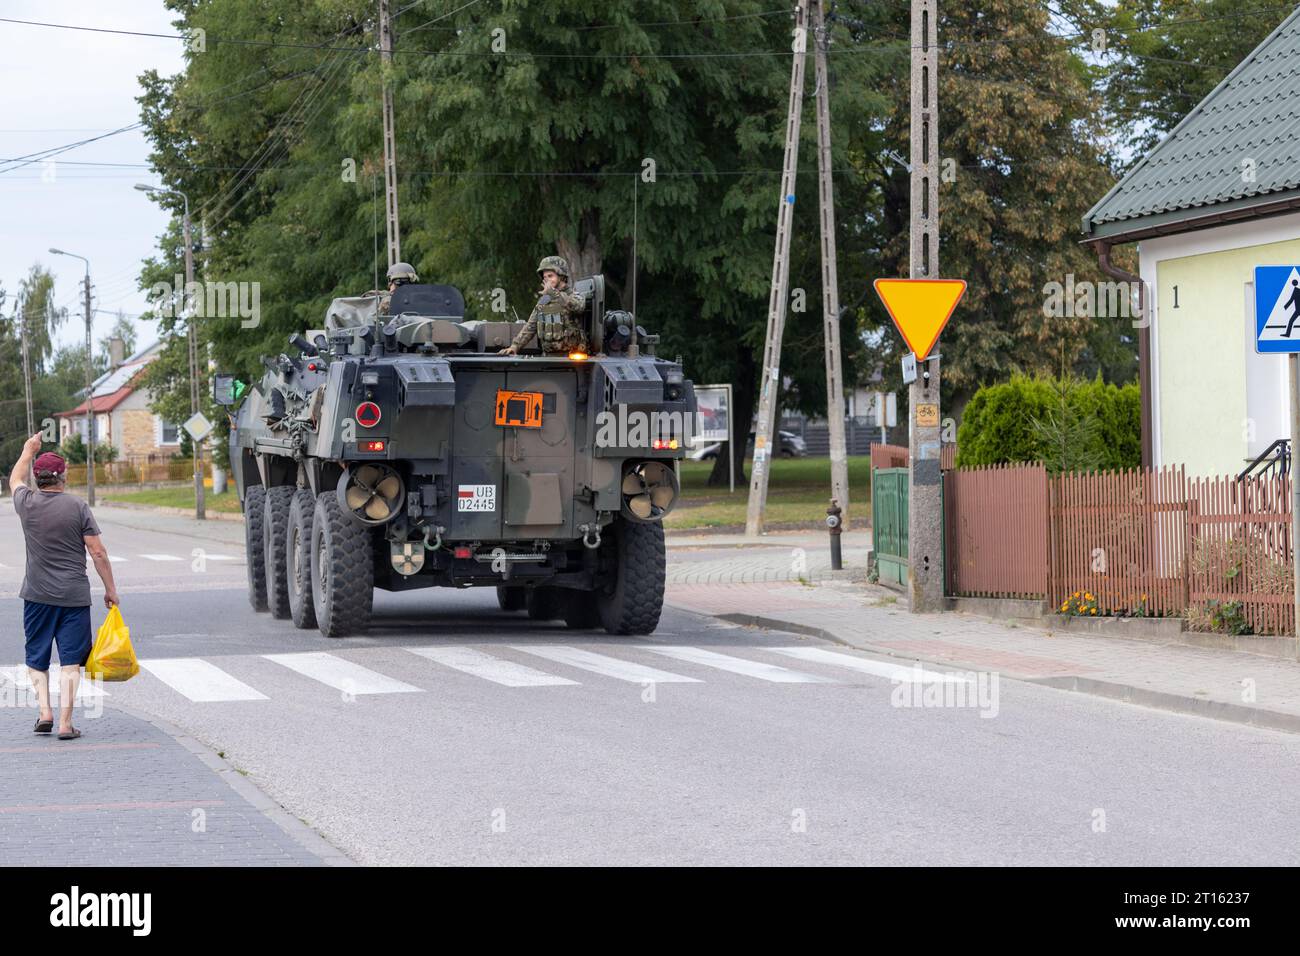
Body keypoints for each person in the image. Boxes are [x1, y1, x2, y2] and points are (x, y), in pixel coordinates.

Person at [7, 435, 119, 740]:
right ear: (63, 477)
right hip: (74, 597)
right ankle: (66, 724)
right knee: (71, 661)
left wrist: (27, 451)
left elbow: (14, 478)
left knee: (37, 657)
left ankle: (45, 711)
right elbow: (98, 552)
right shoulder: (77, 506)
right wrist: (110, 589)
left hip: (37, 595)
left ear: (37, 478)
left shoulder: (26, 502)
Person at [499, 256, 588, 355]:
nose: (547, 280)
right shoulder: (545, 300)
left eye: (550, 276)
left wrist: (555, 294)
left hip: (572, 357)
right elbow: (531, 326)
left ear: (561, 276)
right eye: (545, 277)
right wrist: (515, 346)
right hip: (548, 357)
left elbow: (579, 307)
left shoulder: (573, 295)